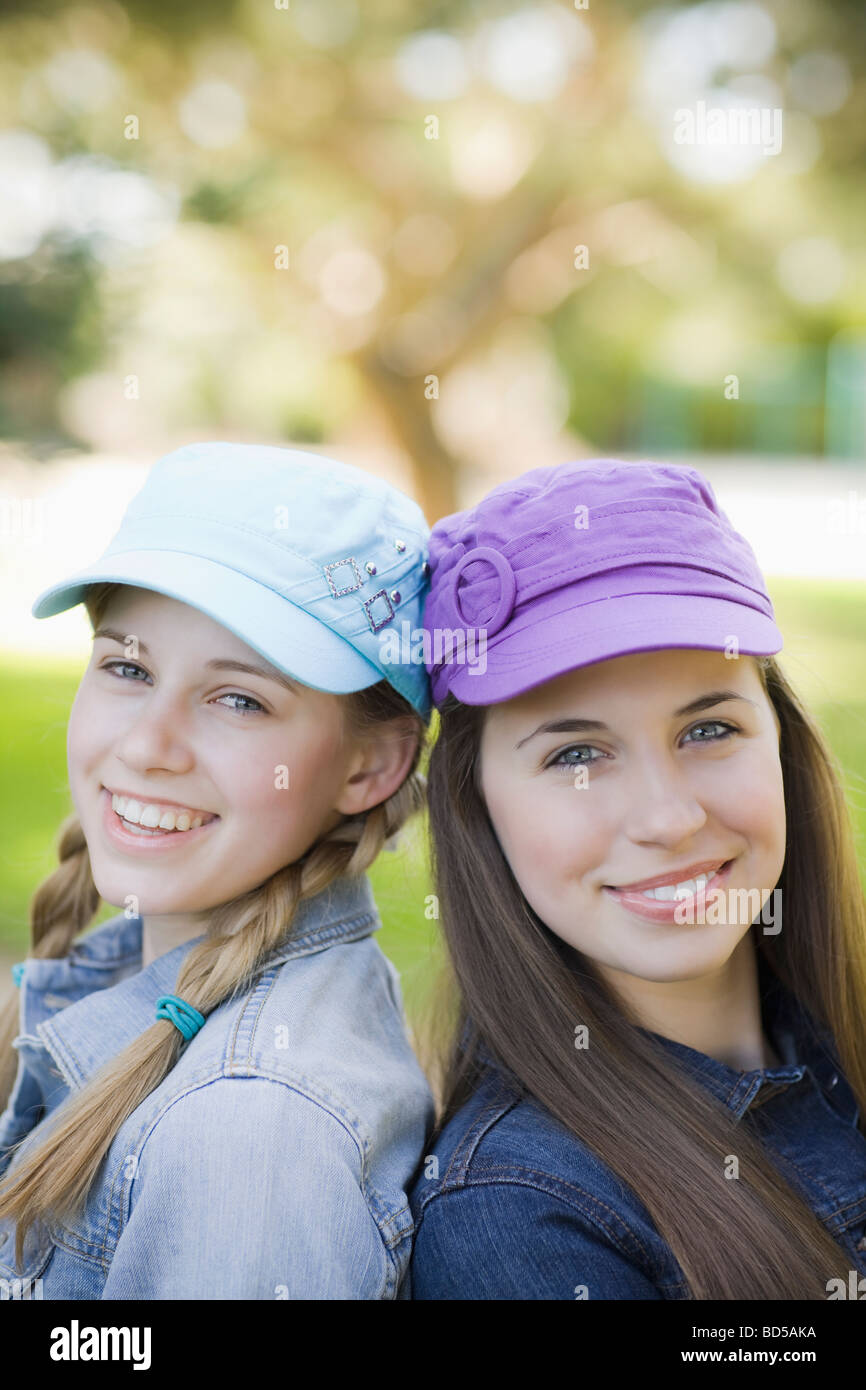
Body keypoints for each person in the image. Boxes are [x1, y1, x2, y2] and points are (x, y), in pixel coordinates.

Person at [409, 458, 866, 1300]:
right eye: (576, 755)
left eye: (710, 729)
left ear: (781, 738)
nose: (668, 818)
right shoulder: (521, 1217)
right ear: (477, 806)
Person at [0, 440, 435, 1299]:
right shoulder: (158, 980)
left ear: (370, 766)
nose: (146, 745)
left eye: (239, 699)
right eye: (129, 667)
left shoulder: (250, 1132)